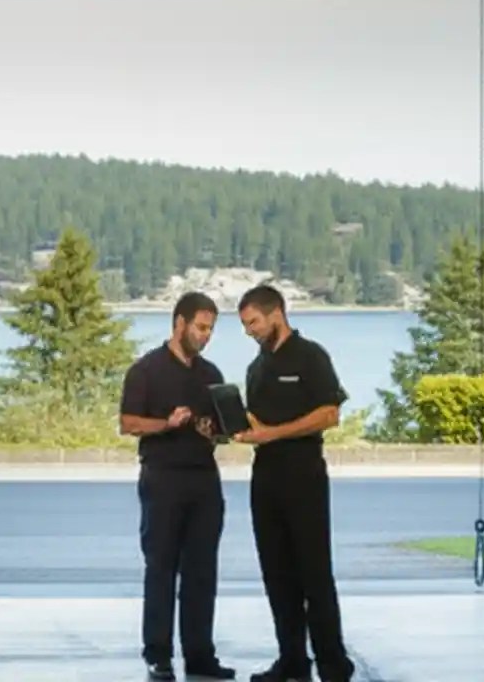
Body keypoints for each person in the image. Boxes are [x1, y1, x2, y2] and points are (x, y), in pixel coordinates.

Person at [233, 284, 355, 682]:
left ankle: (333, 664)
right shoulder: (257, 366)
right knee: (277, 573)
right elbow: (258, 423)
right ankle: (292, 659)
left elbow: (329, 414)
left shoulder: (310, 356)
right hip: (265, 476)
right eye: (244, 325)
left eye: (253, 322)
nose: (249, 330)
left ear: (276, 314)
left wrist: (274, 433)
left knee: (313, 573)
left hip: (303, 474)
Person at [119, 291, 236, 682]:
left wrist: (212, 430)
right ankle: (158, 655)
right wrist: (166, 424)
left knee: (202, 570)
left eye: (211, 330)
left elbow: (222, 432)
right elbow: (128, 423)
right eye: (200, 327)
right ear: (179, 323)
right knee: (161, 567)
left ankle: (200, 656)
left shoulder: (210, 374)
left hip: (204, 479)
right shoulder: (146, 370)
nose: (205, 336)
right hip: (162, 478)